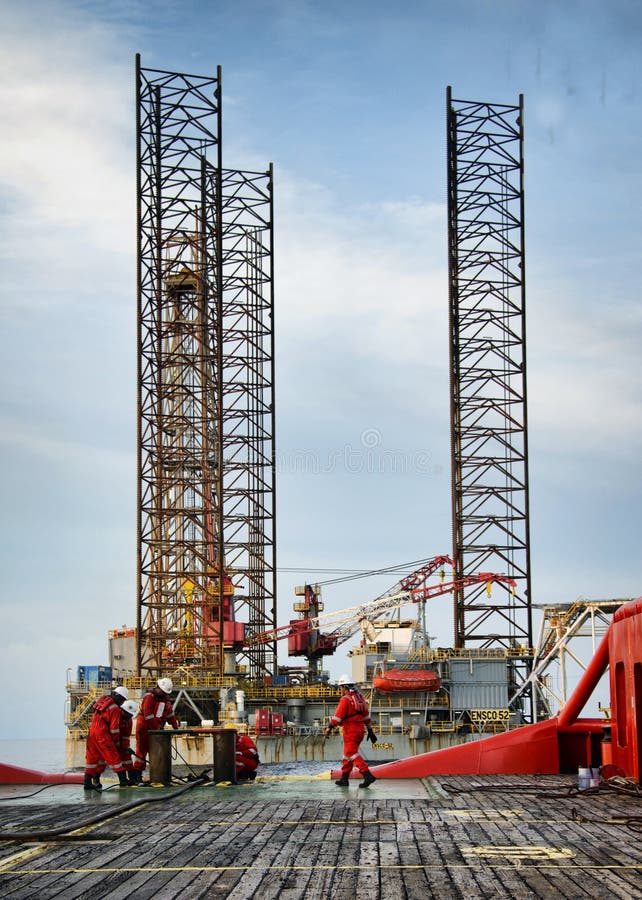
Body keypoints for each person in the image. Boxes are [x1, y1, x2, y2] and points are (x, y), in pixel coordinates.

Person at [325, 675, 377, 788]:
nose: (340, 690)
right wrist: (370, 731)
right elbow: (366, 717)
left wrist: (329, 728)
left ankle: (367, 775)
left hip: (350, 730)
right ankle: (344, 779)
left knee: (351, 753)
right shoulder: (360, 698)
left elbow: (337, 717)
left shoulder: (345, 699)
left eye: (341, 687)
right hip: (360, 730)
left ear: (345, 687)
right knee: (347, 755)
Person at [84, 687, 134, 790]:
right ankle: (123, 781)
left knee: (92, 759)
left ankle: (87, 783)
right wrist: (116, 742)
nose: (122, 703)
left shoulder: (102, 702)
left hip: (92, 733)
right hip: (102, 734)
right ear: (119, 697)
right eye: (122, 700)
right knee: (114, 757)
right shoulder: (115, 708)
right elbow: (114, 728)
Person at [131, 677, 178, 783]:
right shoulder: (149, 697)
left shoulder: (164, 699)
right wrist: (157, 728)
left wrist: (175, 725)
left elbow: (169, 714)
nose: (165, 694)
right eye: (164, 692)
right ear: (158, 688)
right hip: (144, 727)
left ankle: (158, 775)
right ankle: (137, 775)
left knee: (156, 751)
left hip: (156, 728)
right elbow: (148, 715)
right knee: (141, 751)